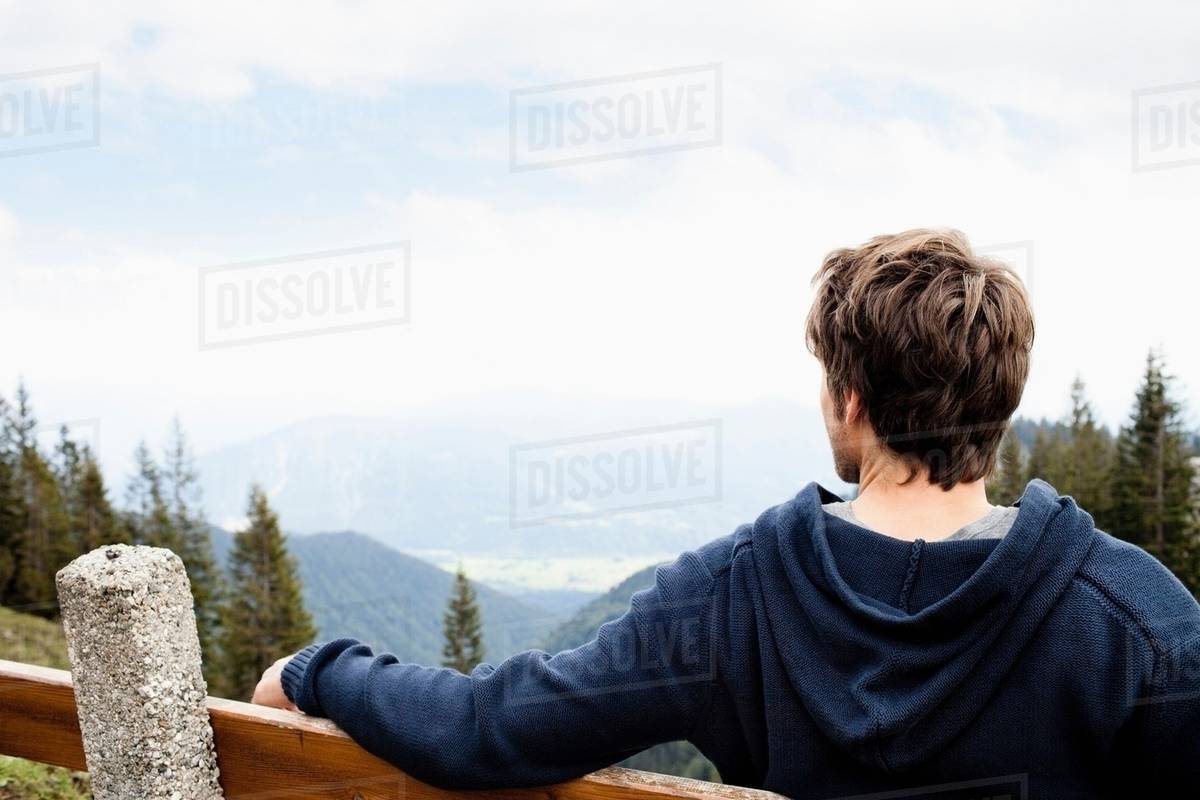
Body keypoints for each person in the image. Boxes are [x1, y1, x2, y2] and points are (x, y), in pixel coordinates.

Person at [252, 229, 1200, 797]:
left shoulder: (733, 596)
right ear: (1002, 401)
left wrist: (316, 671)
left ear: (851, 402)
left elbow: (488, 727)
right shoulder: (1135, 619)